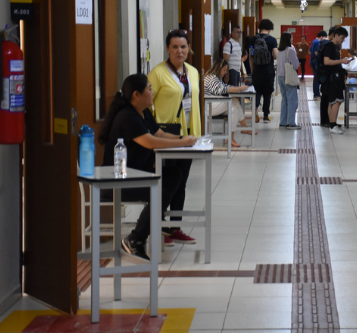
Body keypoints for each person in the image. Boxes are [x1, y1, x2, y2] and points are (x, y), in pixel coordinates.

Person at [98, 74, 197, 260]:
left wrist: (183, 139)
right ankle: (135, 239)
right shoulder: (127, 116)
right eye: (149, 89)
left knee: (173, 174)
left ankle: (153, 222)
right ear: (137, 94)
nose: (152, 93)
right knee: (160, 190)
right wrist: (182, 143)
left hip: (136, 174)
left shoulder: (143, 111)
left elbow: (159, 133)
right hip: (118, 180)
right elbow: (151, 142)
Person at [146, 29, 201, 245]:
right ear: (168, 48)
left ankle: (174, 227)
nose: (180, 51)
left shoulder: (193, 72)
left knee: (182, 182)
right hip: (165, 136)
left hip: (187, 136)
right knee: (165, 182)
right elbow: (147, 104)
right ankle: (157, 224)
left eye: (183, 47)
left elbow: (193, 102)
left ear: (189, 49)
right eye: (175, 47)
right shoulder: (157, 73)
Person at [204, 58, 256, 147]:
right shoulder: (211, 78)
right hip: (209, 106)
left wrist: (235, 88)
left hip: (213, 104)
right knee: (234, 102)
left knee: (234, 109)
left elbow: (225, 86)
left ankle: (231, 137)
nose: (225, 72)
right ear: (218, 69)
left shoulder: (215, 77)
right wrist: (239, 89)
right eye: (224, 70)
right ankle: (243, 128)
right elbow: (222, 89)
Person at [321, 26, 351, 134]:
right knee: (336, 101)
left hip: (333, 77)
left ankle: (332, 123)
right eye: (342, 38)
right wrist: (341, 61)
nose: (343, 40)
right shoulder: (330, 46)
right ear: (336, 35)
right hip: (333, 78)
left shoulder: (335, 46)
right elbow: (327, 61)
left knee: (332, 102)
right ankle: (333, 125)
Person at [251, 19, 278, 123]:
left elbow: (251, 55)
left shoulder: (253, 39)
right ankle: (266, 116)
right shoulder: (272, 40)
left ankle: (255, 110)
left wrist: (253, 70)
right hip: (268, 71)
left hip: (257, 70)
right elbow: (275, 55)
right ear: (270, 28)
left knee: (257, 92)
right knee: (267, 93)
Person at [277, 32, 301, 130]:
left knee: (284, 99)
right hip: (289, 77)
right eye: (291, 37)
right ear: (289, 39)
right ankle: (291, 123)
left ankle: (283, 122)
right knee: (292, 100)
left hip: (280, 76)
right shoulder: (290, 50)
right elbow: (296, 65)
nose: (292, 39)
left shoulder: (279, 51)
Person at [318, 28, 336, 126]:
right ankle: (325, 121)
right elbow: (327, 61)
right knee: (326, 98)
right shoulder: (328, 45)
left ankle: (326, 120)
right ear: (334, 34)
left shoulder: (324, 44)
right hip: (327, 76)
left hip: (324, 75)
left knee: (326, 98)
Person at [310, 30, 327, 100]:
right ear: (322, 37)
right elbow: (316, 52)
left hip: (313, 61)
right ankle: (316, 94)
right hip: (315, 62)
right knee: (317, 78)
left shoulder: (314, 41)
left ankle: (316, 94)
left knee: (316, 78)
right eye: (325, 38)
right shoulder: (317, 42)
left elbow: (311, 50)